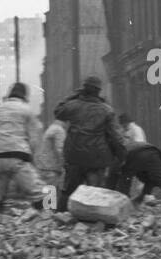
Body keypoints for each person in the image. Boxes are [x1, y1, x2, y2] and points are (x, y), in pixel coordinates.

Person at [0, 83, 45, 221]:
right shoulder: (26, 110)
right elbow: (34, 138)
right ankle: (49, 219)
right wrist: (36, 162)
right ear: (24, 96)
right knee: (39, 191)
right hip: (18, 156)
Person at [53, 76, 126, 212]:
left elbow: (58, 111)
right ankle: (96, 225)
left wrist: (72, 96)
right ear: (99, 91)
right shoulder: (106, 110)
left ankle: (59, 221)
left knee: (69, 191)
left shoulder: (73, 106)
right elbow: (116, 136)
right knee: (96, 194)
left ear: (83, 90)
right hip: (97, 159)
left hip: (74, 157)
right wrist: (121, 157)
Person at [109, 141, 161, 218]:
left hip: (140, 154)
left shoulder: (115, 161)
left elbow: (121, 184)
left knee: (127, 182)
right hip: (152, 153)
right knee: (160, 181)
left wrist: (118, 204)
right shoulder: (119, 154)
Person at [34, 118, 67, 195]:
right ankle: (48, 206)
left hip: (44, 166)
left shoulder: (52, 128)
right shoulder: (59, 130)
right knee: (49, 196)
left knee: (46, 193)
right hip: (52, 167)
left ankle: (45, 206)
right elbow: (60, 150)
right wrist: (65, 164)